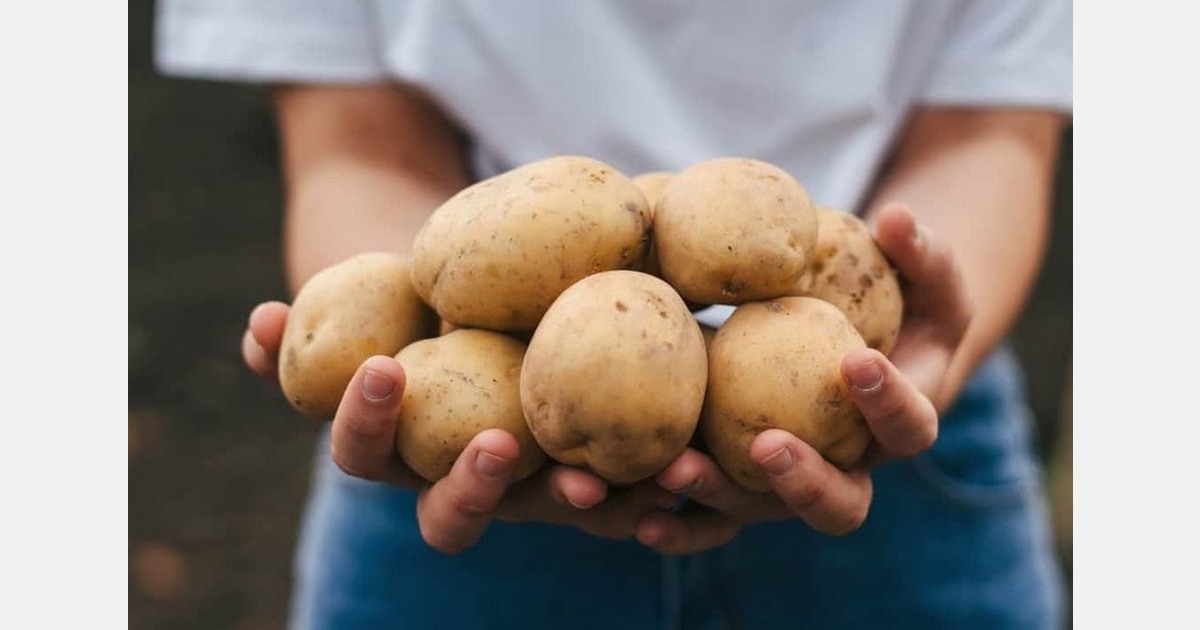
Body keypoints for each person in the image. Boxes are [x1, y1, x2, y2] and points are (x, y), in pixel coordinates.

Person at [156, 1, 1071, 628]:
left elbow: (989, 132)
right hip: (467, 432)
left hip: (883, 402)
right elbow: (357, 148)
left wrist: (927, 313)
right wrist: (389, 339)